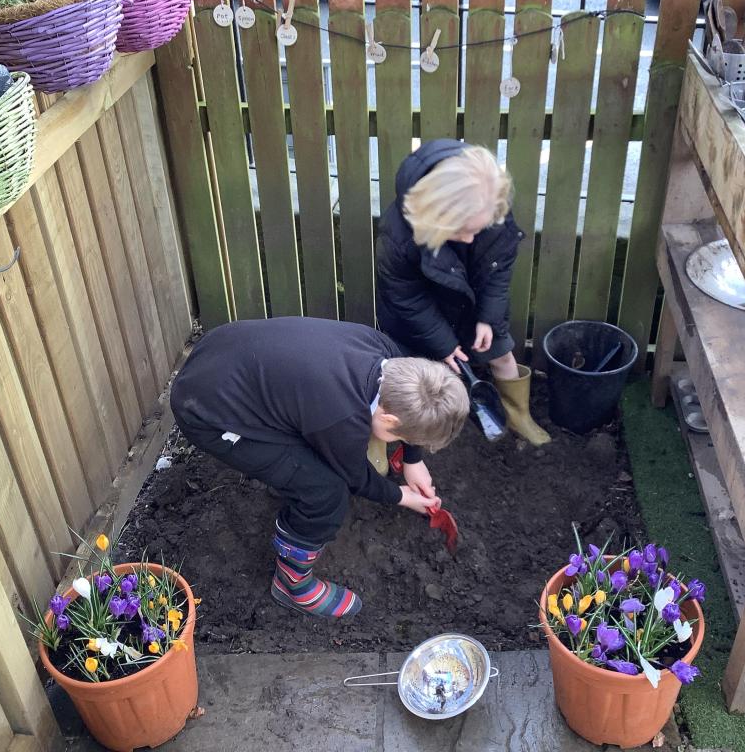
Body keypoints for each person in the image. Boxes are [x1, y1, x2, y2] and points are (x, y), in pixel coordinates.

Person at [170, 317, 469, 619]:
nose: (401, 442)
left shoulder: (388, 353)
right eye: (401, 438)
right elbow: (355, 478)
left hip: (220, 349)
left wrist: (413, 459)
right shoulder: (340, 418)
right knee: (324, 492)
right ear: (391, 421)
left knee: (313, 447)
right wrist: (400, 496)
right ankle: (292, 584)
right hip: (206, 411)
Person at [375, 139, 551, 457]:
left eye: (477, 231)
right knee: (406, 381)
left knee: (502, 355)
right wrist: (443, 343)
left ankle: (516, 414)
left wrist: (488, 317)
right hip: (419, 319)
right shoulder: (398, 237)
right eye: (460, 233)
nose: (470, 239)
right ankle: (382, 439)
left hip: (471, 305)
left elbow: (499, 271)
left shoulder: (491, 210)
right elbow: (406, 298)